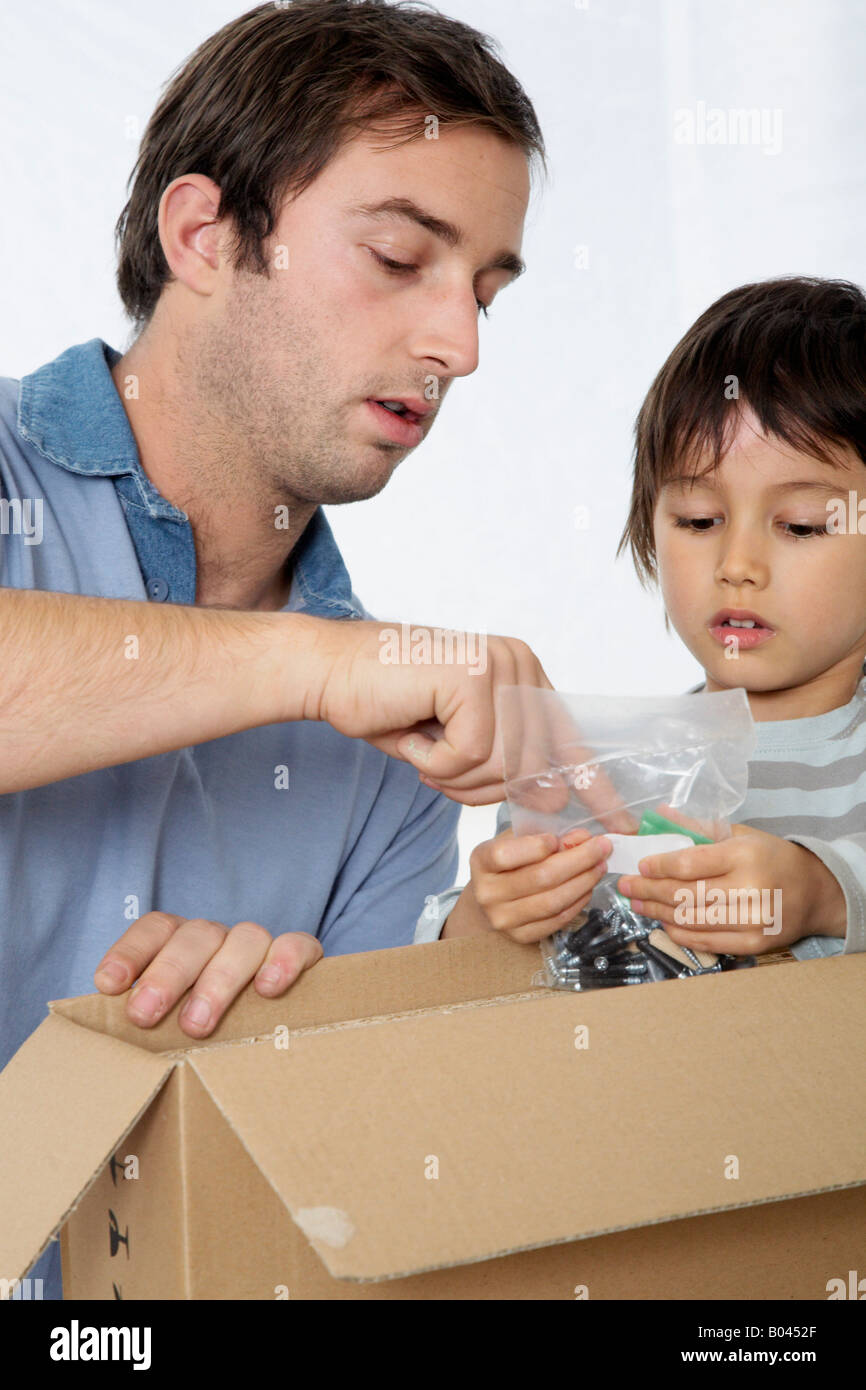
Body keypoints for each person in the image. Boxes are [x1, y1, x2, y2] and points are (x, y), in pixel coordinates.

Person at [0, 0, 596, 1299]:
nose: (461, 347)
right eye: (399, 256)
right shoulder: (357, 688)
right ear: (204, 234)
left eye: (485, 291)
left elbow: (329, 1210)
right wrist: (313, 666)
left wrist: (497, 954)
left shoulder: (396, 758)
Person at [418, 276, 866, 963]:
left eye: (802, 526)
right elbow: (428, 981)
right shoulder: (600, 771)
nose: (736, 563)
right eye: (698, 520)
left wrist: (820, 893)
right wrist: (488, 911)